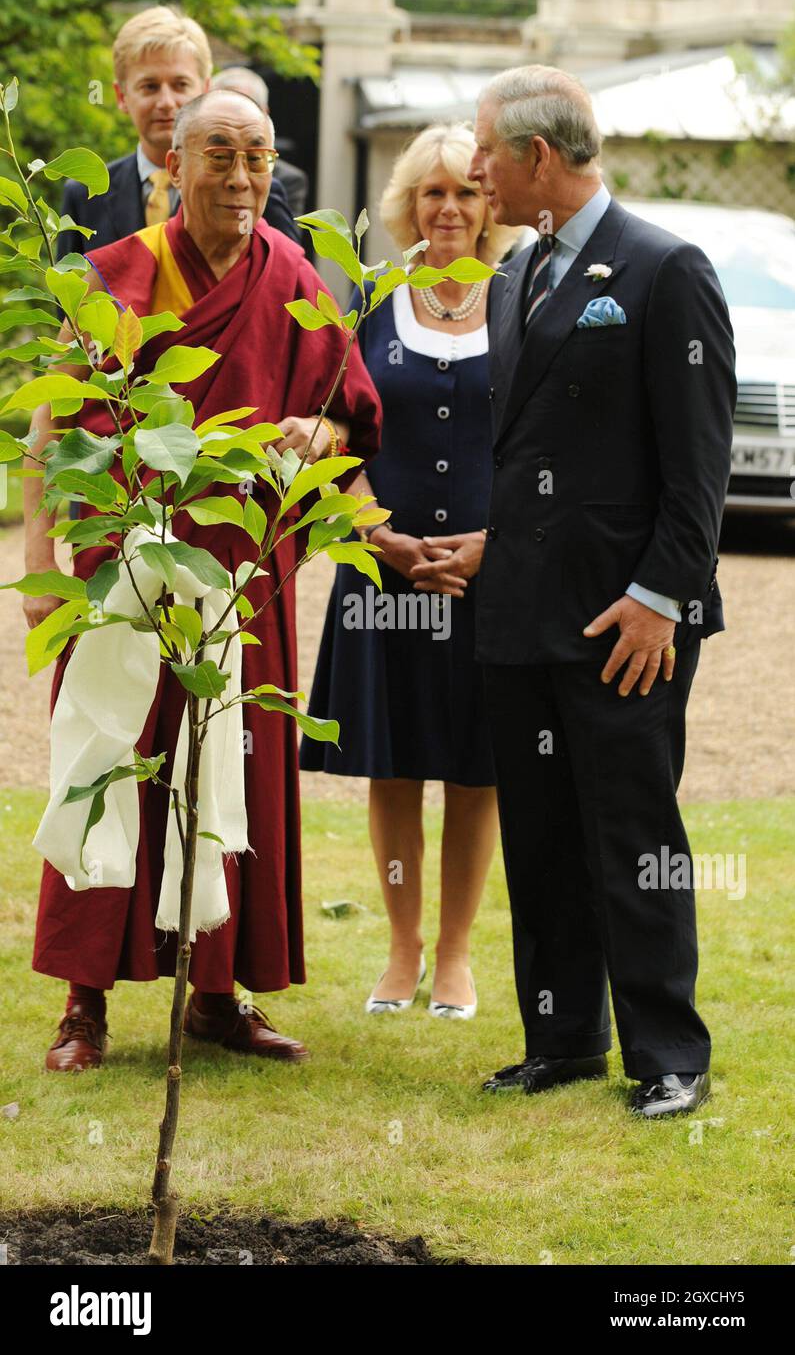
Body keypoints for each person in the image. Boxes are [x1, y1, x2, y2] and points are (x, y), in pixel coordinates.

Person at [25, 89, 381, 1071]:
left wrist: (323, 436)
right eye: (218, 155)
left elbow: (353, 418)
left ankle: (218, 993)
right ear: (172, 167)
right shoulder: (114, 275)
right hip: (128, 575)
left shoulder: (299, 277)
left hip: (238, 582)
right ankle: (83, 1000)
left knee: (241, 777)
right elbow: (53, 432)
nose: (239, 176)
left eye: (258, 158)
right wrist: (40, 568)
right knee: (109, 763)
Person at [467, 65, 736, 1117]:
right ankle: (563, 1037)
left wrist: (662, 598)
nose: (474, 168)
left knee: (634, 835)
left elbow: (699, 464)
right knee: (539, 838)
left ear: (538, 156)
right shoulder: (514, 277)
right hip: (522, 616)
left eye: (486, 150)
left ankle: (670, 1053)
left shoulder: (667, 270)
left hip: (629, 622)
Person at [300, 124, 515, 1020]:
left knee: (476, 768)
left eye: (466, 192)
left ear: (488, 204)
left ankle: (457, 957)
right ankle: (400, 950)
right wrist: (377, 533)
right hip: (381, 575)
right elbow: (326, 431)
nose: (450, 208)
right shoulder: (367, 302)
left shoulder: (520, 302)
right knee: (391, 766)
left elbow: (548, 444)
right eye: (432, 193)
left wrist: (493, 541)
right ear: (406, 205)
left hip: (489, 575)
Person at [57, 6, 302, 261]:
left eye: (180, 85)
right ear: (122, 96)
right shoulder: (86, 194)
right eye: (149, 86)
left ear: (206, 90)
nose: (166, 101)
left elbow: (284, 287)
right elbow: (68, 298)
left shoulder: (251, 189)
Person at [209, 67, 309, 216]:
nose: (232, 121)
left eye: (243, 109)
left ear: (264, 114)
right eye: (222, 111)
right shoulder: (195, 168)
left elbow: (282, 238)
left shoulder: (283, 182)